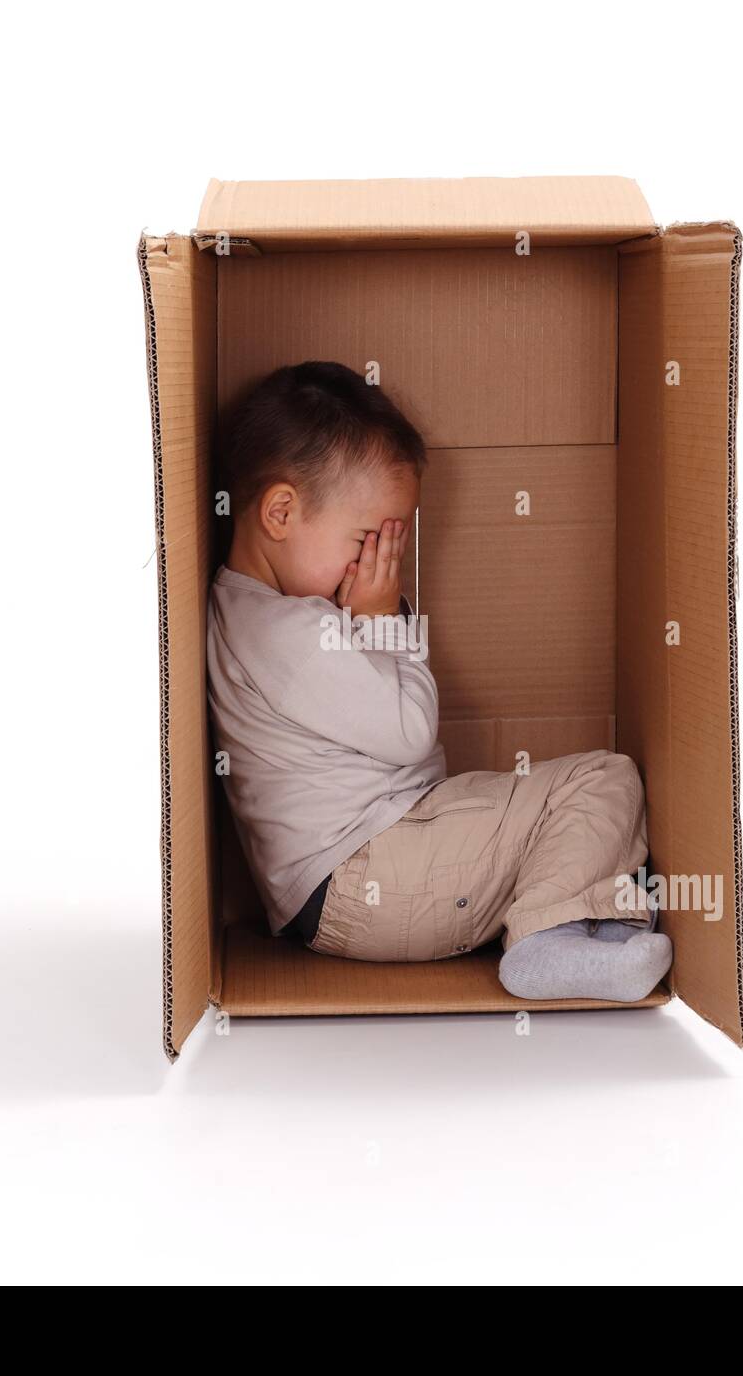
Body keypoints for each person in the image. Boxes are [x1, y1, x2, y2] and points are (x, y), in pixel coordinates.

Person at [205, 360, 672, 1001]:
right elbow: (412, 734)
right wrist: (383, 615)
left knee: (546, 816)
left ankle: (594, 927)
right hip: (369, 874)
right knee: (605, 778)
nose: (379, 565)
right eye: (368, 540)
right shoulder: (289, 633)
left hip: (358, 879)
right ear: (281, 513)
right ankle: (550, 941)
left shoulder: (246, 610)